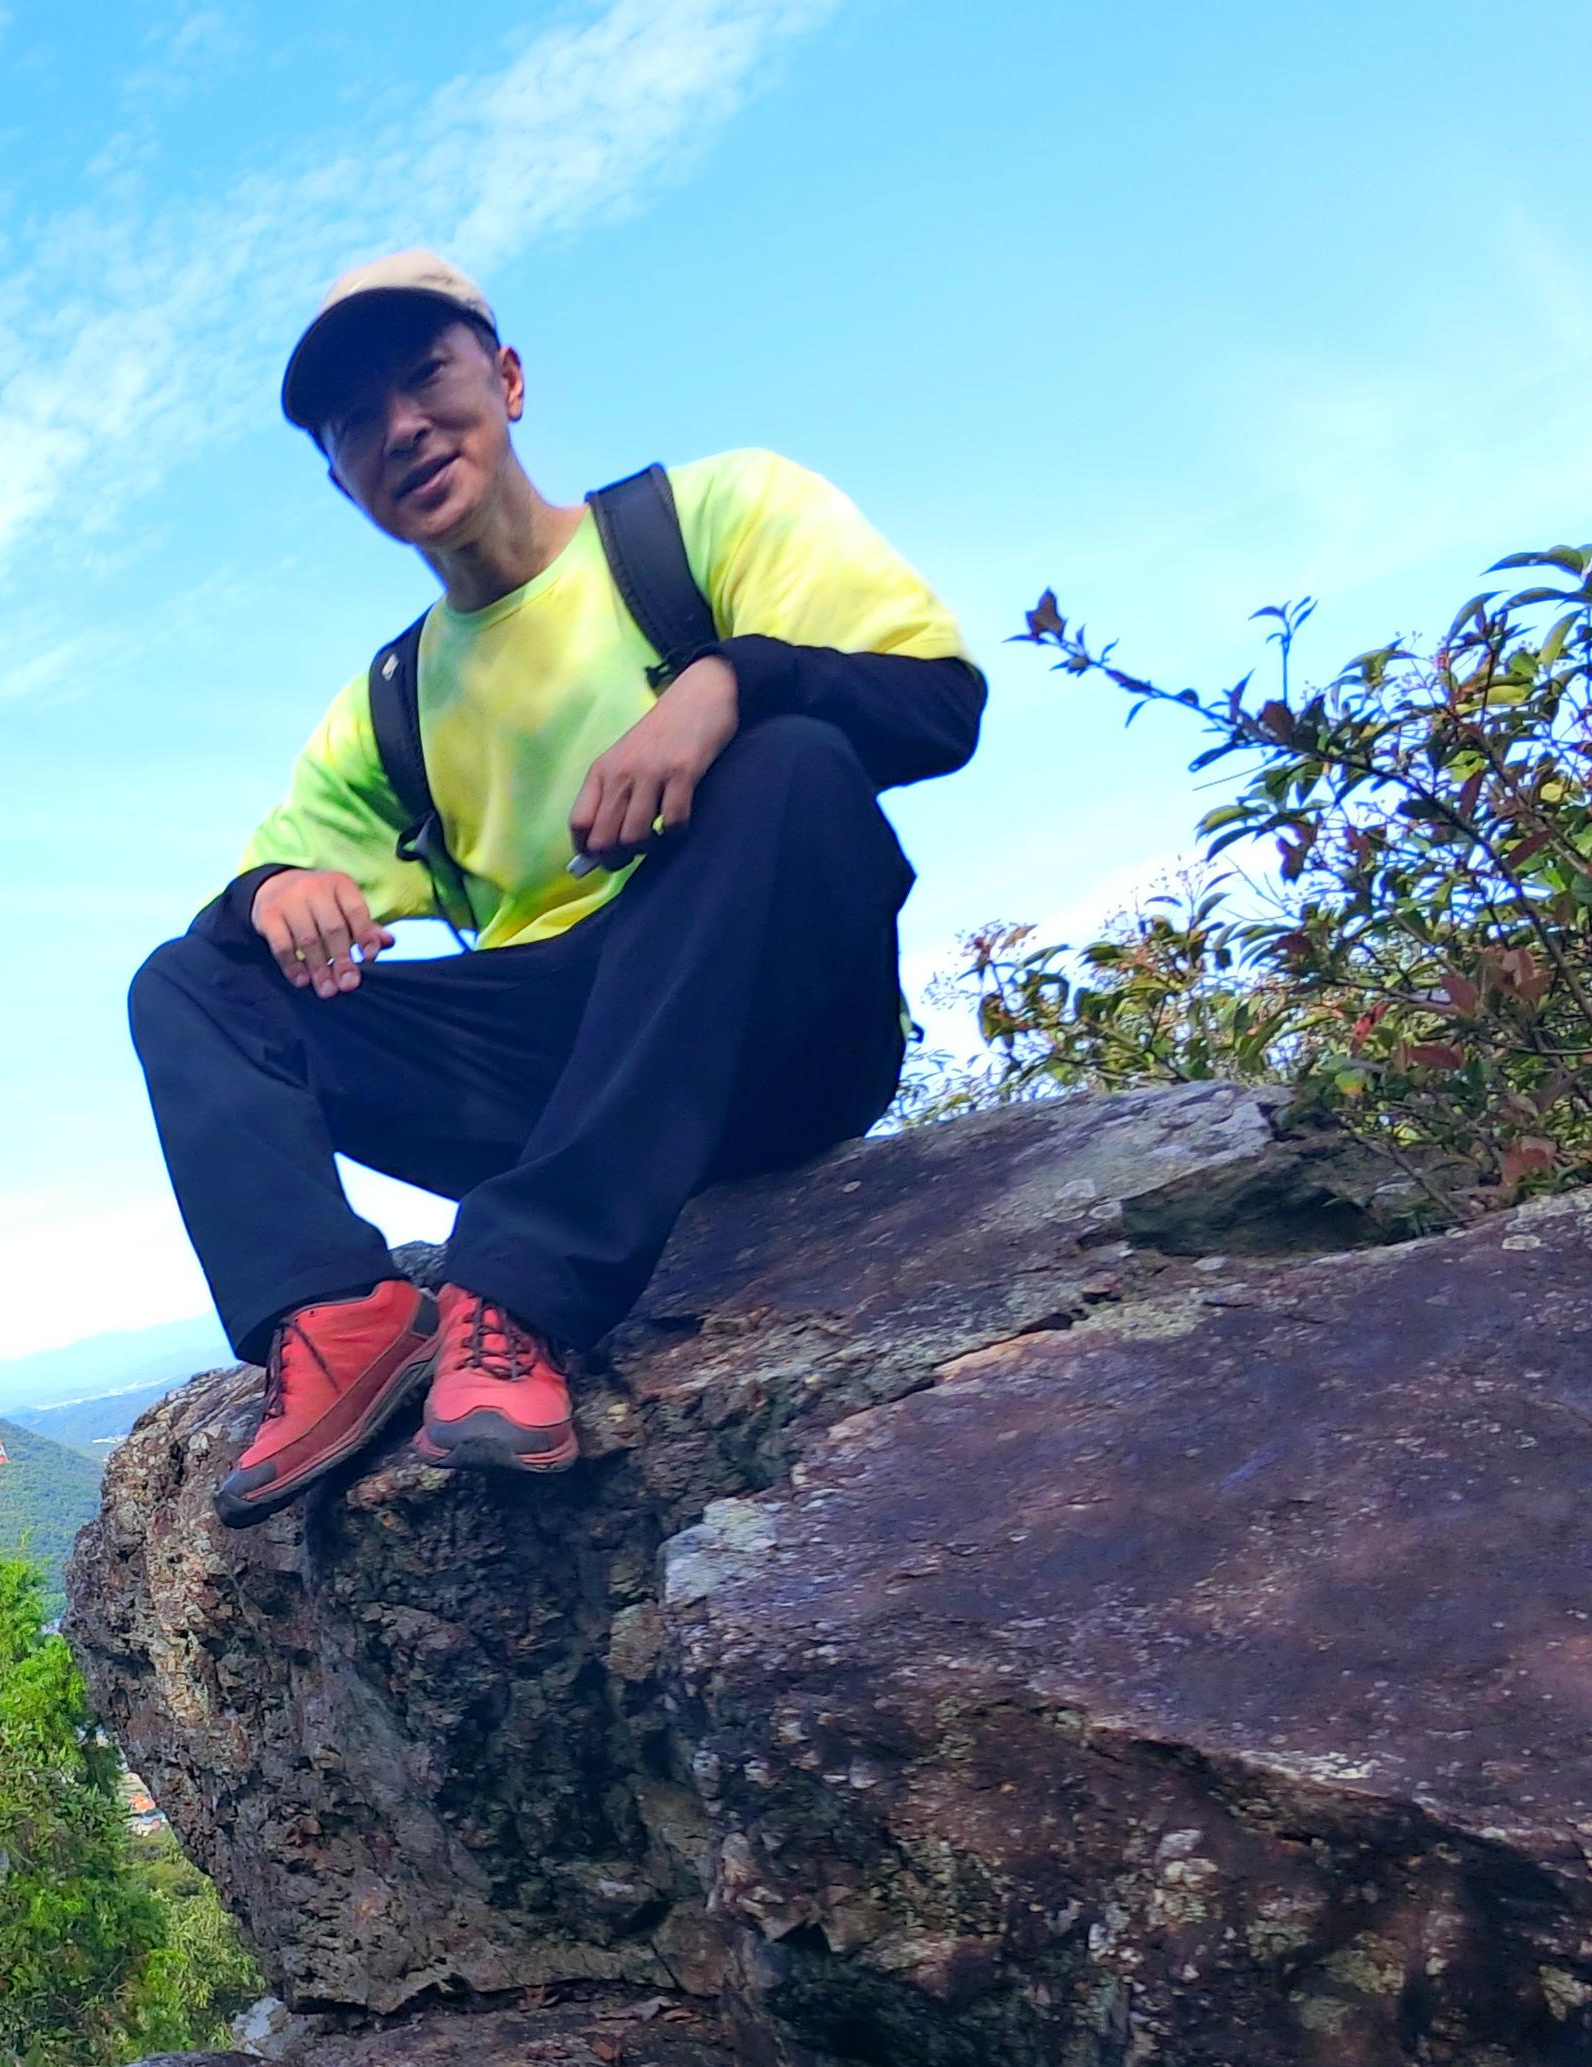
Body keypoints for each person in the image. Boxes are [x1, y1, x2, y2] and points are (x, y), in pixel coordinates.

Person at [129, 252, 982, 1525]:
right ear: (338, 476)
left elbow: (937, 706)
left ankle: (516, 1299)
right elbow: (244, 920)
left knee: (789, 765)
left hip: (772, 1030)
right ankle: (342, 1323)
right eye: (356, 423)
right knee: (187, 982)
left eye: (426, 377)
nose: (402, 429)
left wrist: (734, 681)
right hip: (560, 1077)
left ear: (508, 379)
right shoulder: (393, 706)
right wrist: (269, 893)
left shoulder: (704, 521)